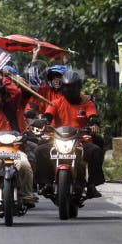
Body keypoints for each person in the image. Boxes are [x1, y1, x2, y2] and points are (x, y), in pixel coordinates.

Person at [37, 70, 105, 199]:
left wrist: (94, 124)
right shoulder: (57, 102)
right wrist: (44, 122)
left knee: (96, 150)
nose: (70, 90)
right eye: (67, 87)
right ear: (62, 87)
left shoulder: (87, 102)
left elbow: (92, 116)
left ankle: (92, 185)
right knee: (40, 150)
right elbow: (48, 115)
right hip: (58, 139)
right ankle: (46, 183)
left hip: (80, 140)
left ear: (79, 87)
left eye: (73, 87)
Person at [0, 80, 38, 209]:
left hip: (16, 150)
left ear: (3, 97)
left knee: (25, 165)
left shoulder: (13, 108)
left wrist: (4, 77)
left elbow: (16, 92)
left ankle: (27, 195)